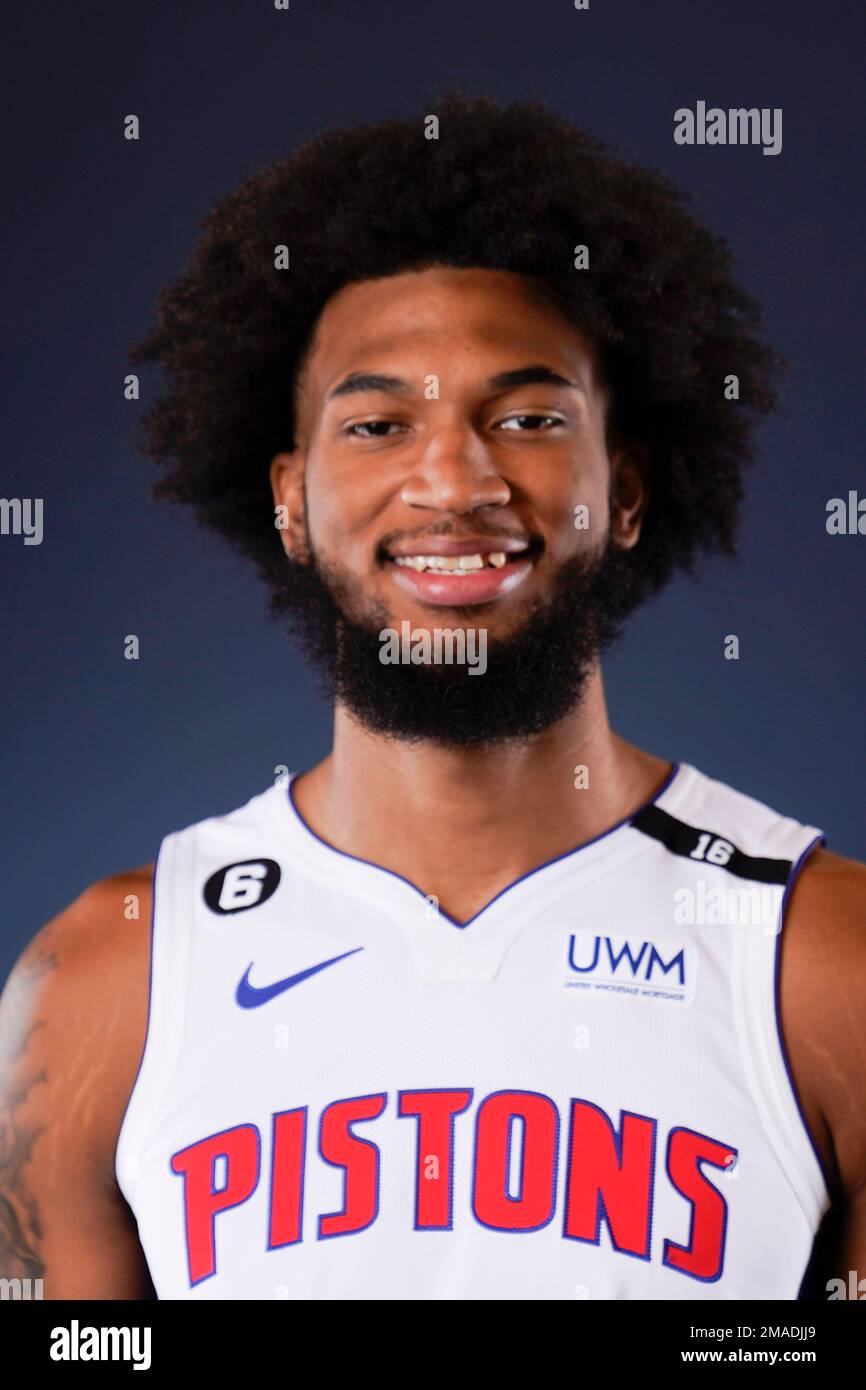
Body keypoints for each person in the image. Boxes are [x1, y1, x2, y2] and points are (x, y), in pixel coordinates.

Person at [1, 91, 864, 1301]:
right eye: (377, 422)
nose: (452, 478)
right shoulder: (106, 983)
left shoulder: (823, 962)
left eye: (524, 417)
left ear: (620, 491)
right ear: (290, 500)